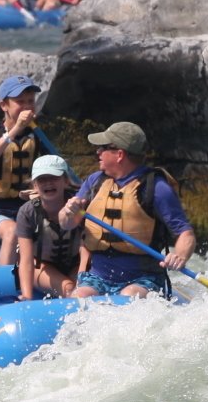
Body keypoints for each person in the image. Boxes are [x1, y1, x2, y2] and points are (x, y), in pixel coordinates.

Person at [63, 121, 196, 299]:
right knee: (80, 296)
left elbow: (185, 234)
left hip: (143, 279)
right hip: (98, 276)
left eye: (103, 148)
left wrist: (180, 256)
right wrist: (68, 212)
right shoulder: (95, 182)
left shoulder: (156, 188)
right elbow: (66, 223)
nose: (98, 152)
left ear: (119, 154)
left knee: (129, 295)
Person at [0, 75, 50, 264]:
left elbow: (52, 169)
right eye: (20, 102)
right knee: (14, 231)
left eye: (30, 101)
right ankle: (4, 281)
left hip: (28, 208)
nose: (27, 106)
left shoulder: (37, 136)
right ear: (4, 105)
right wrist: (15, 130)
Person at [14, 155, 84, 300]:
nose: (48, 183)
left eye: (54, 178)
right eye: (42, 180)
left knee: (81, 292)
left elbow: (88, 247)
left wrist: (82, 274)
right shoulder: (27, 212)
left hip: (76, 264)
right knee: (68, 288)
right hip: (41, 266)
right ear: (35, 185)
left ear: (66, 181)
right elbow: (26, 259)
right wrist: (27, 296)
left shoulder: (80, 207)